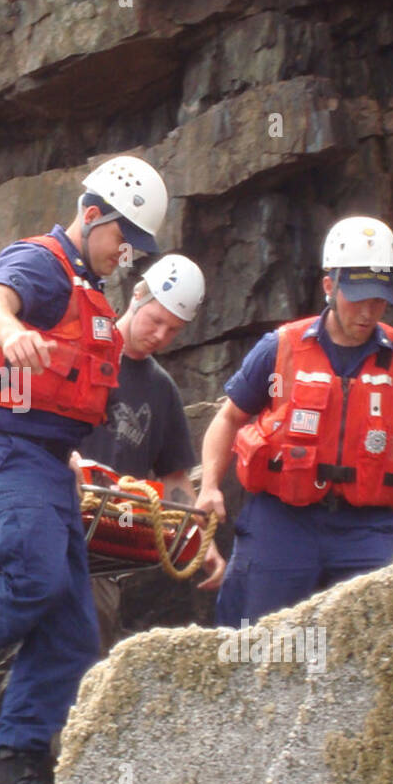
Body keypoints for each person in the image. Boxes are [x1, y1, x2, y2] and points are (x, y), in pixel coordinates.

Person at [0, 154, 169, 784]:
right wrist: (13, 333)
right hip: (1, 453)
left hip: (49, 464)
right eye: (123, 240)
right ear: (92, 218)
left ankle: (18, 765)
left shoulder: (92, 292)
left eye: (136, 248)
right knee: (35, 573)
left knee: (72, 625)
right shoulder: (40, 264)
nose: (126, 256)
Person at [196, 216, 393, 627]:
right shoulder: (280, 349)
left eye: (379, 300)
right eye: (358, 297)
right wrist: (209, 487)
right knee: (252, 637)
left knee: (385, 636)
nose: (368, 312)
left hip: (368, 527)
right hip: (282, 518)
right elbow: (227, 418)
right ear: (329, 287)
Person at [76, 254, 226, 649]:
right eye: (155, 321)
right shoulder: (82, 349)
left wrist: (202, 541)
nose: (160, 335)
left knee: (95, 633)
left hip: (107, 542)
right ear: (137, 295)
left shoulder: (161, 390)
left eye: (173, 330)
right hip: (57, 515)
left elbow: (175, 477)